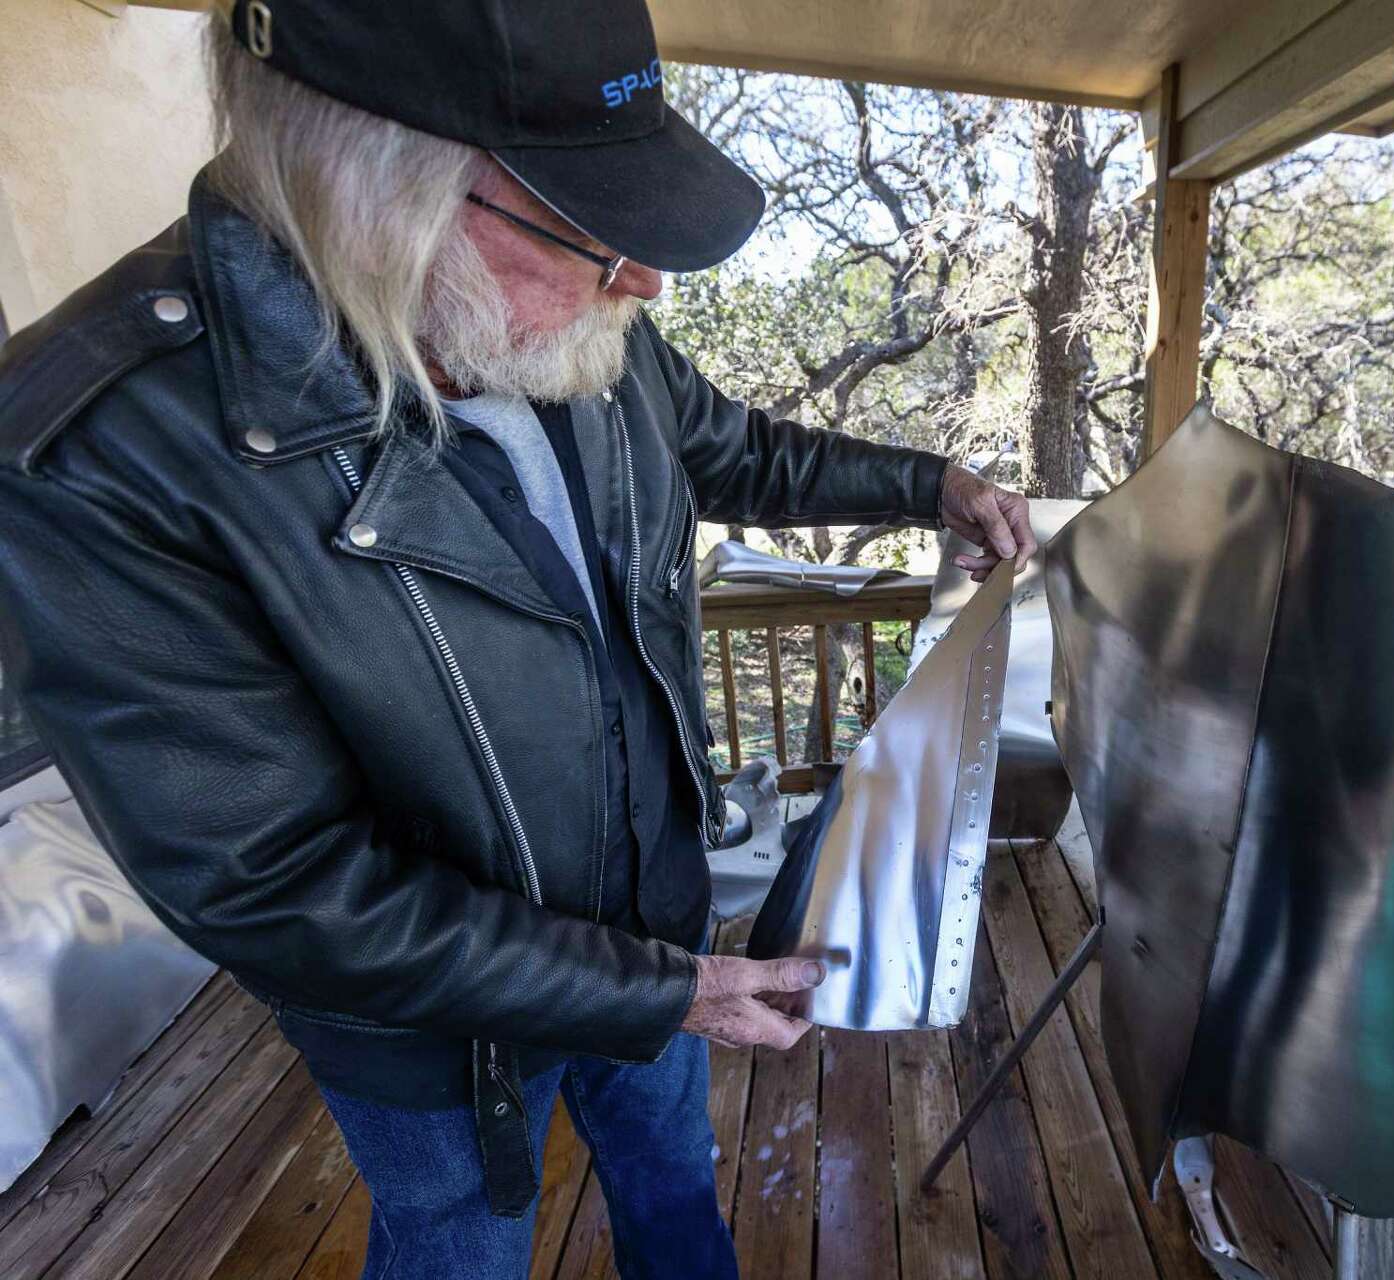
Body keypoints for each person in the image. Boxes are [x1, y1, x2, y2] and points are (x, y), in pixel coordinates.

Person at [0, 2, 1035, 1276]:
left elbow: (730, 448)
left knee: (670, 1178)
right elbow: (277, 880)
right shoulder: (104, 447)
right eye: (596, 235)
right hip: (433, 1029)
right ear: (383, 200)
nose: (645, 282)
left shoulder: (558, 315)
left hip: (647, 928)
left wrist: (924, 483)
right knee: (459, 1244)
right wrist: (667, 992)